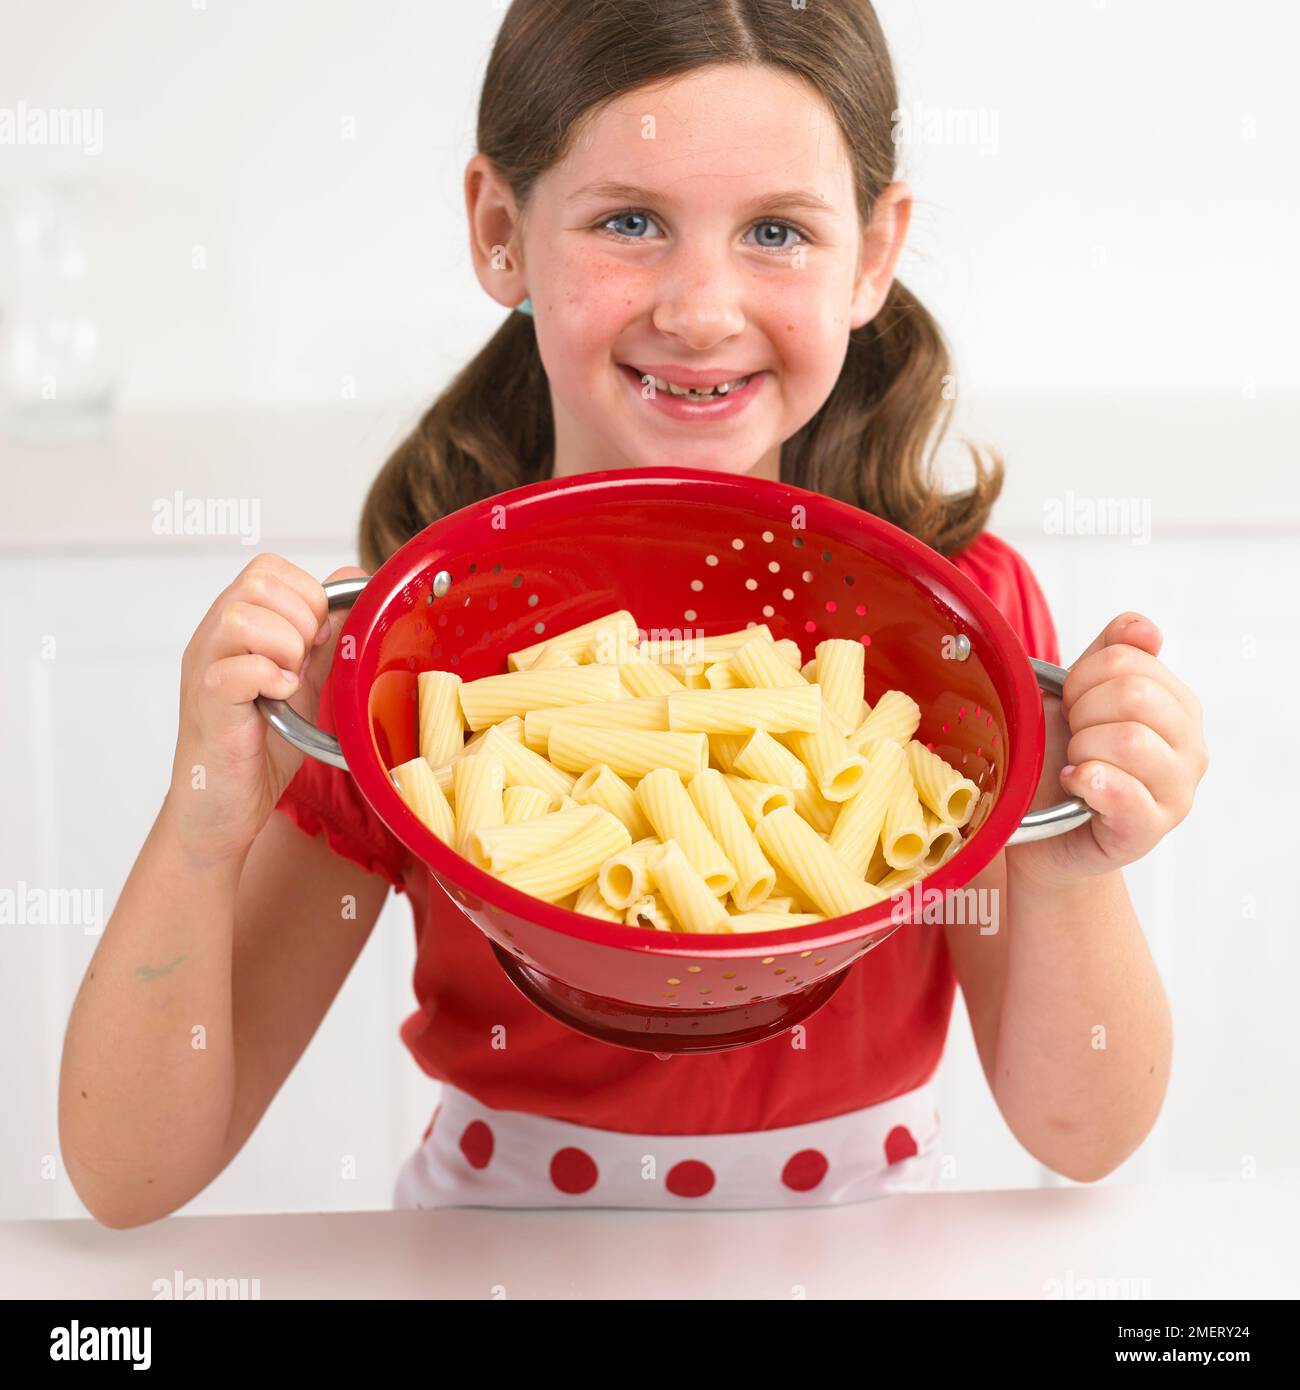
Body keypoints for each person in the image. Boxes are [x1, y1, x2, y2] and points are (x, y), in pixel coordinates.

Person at [59, 0, 1208, 1223]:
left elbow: (1081, 1134)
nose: (701, 308)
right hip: (496, 1250)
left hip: (873, 1257)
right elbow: (132, 1171)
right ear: (502, 232)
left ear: (873, 255)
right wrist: (200, 825)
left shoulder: (958, 627)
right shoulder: (400, 653)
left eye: (776, 229)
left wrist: (1076, 867)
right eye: (629, 222)